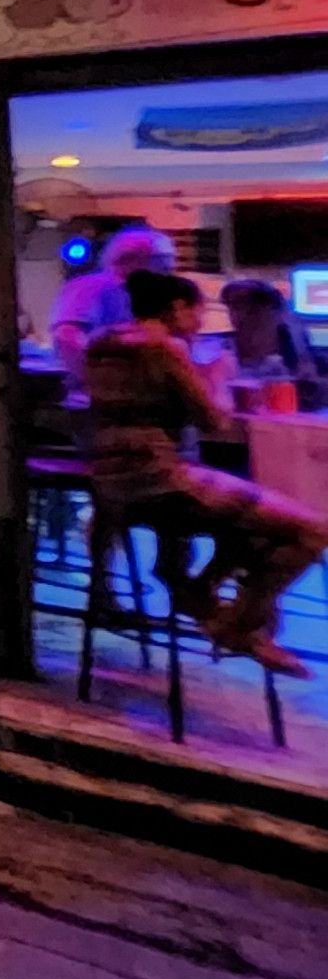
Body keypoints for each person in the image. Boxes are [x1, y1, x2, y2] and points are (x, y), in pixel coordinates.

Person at [83, 270, 328, 678]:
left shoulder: (100, 344)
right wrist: (216, 375)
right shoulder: (166, 348)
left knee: (254, 524)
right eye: (199, 313)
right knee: (312, 530)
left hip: (113, 485)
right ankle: (239, 628)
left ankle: (199, 592)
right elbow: (214, 420)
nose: (201, 323)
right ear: (178, 308)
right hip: (165, 482)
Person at [51, 226, 174, 375]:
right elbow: (66, 337)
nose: (170, 265)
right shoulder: (92, 286)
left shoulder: (140, 292)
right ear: (130, 258)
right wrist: (96, 380)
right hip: (100, 394)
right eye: (161, 258)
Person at [217, 278, 317, 387]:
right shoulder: (222, 351)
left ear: (274, 310)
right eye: (234, 307)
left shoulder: (299, 350)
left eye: (253, 307)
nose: (241, 315)